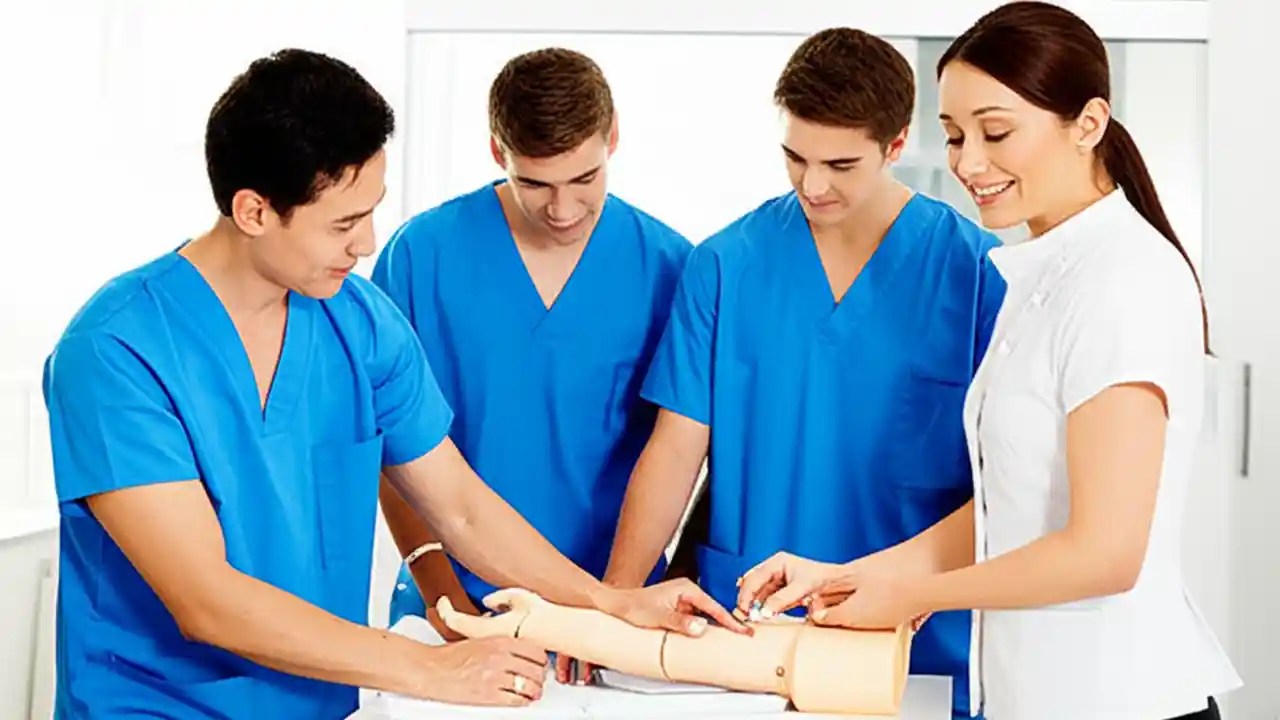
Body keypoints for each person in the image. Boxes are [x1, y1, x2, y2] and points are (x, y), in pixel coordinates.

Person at [40, 48, 743, 720]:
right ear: (254, 212)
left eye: (372, 211)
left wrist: (604, 603)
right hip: (157, 708)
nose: (369, 242)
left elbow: (460, 507)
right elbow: (207, 599)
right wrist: (430, 668)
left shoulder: (359, 322)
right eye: (344, 222)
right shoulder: (116, 351)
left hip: (324, 700)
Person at [737, 3, 1242, 719]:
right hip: (1036, 695)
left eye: (996, 132)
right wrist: (855, 577)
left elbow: (1106, 552)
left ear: (1089, 124)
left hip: (1119, 699)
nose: (969, 163)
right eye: (953, 136)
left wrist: (912, 596)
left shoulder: (1123, 281)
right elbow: (1015, 506)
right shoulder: (1041, 276)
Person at [600, 27, 1006, 718]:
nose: (813, 185)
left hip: (915, 639)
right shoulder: (726, 262)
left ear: (896, 144)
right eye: (795, 157)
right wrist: (614, 603)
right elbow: (675, 449)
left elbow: (1008, 482)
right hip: (748, 628)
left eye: (841, 164)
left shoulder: (976, 272)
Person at [371, 46, 692, 682]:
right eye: (535, 184)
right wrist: (441, 592)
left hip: (616, 617)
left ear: (614, 138)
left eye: (585, 180)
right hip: (456, 607)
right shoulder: (421, 256)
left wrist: (604, 610)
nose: (563, 210)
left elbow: (681, 450)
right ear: (499, 152)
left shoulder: (670, 267)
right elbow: (389, 444)